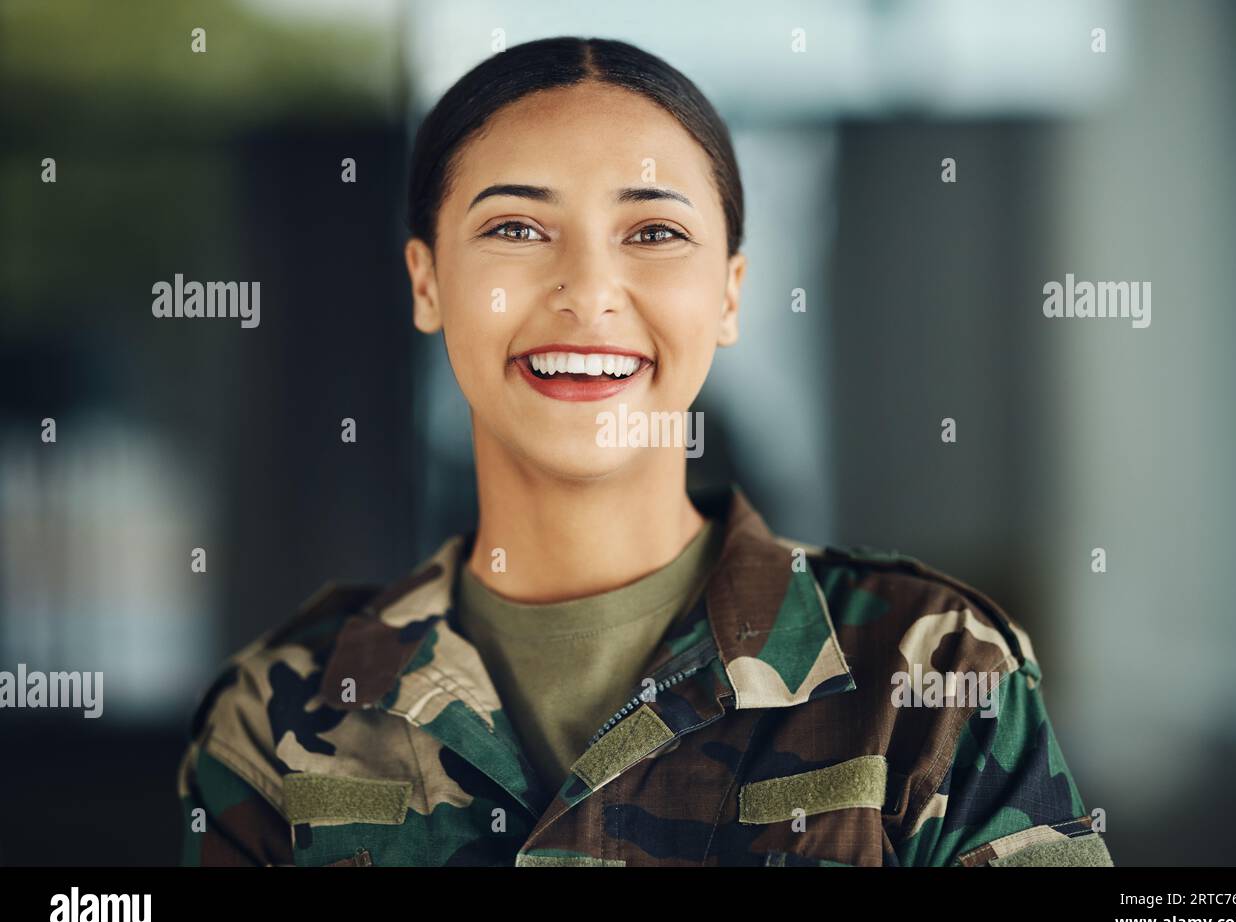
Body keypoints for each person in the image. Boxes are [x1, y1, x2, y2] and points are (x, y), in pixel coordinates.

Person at [177, 35, 1112, 867]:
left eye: (655, 232)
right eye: (515, 228)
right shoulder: (280, 707)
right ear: (427, 282)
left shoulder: (930, 675)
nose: (588, 290)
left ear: (732, 294)